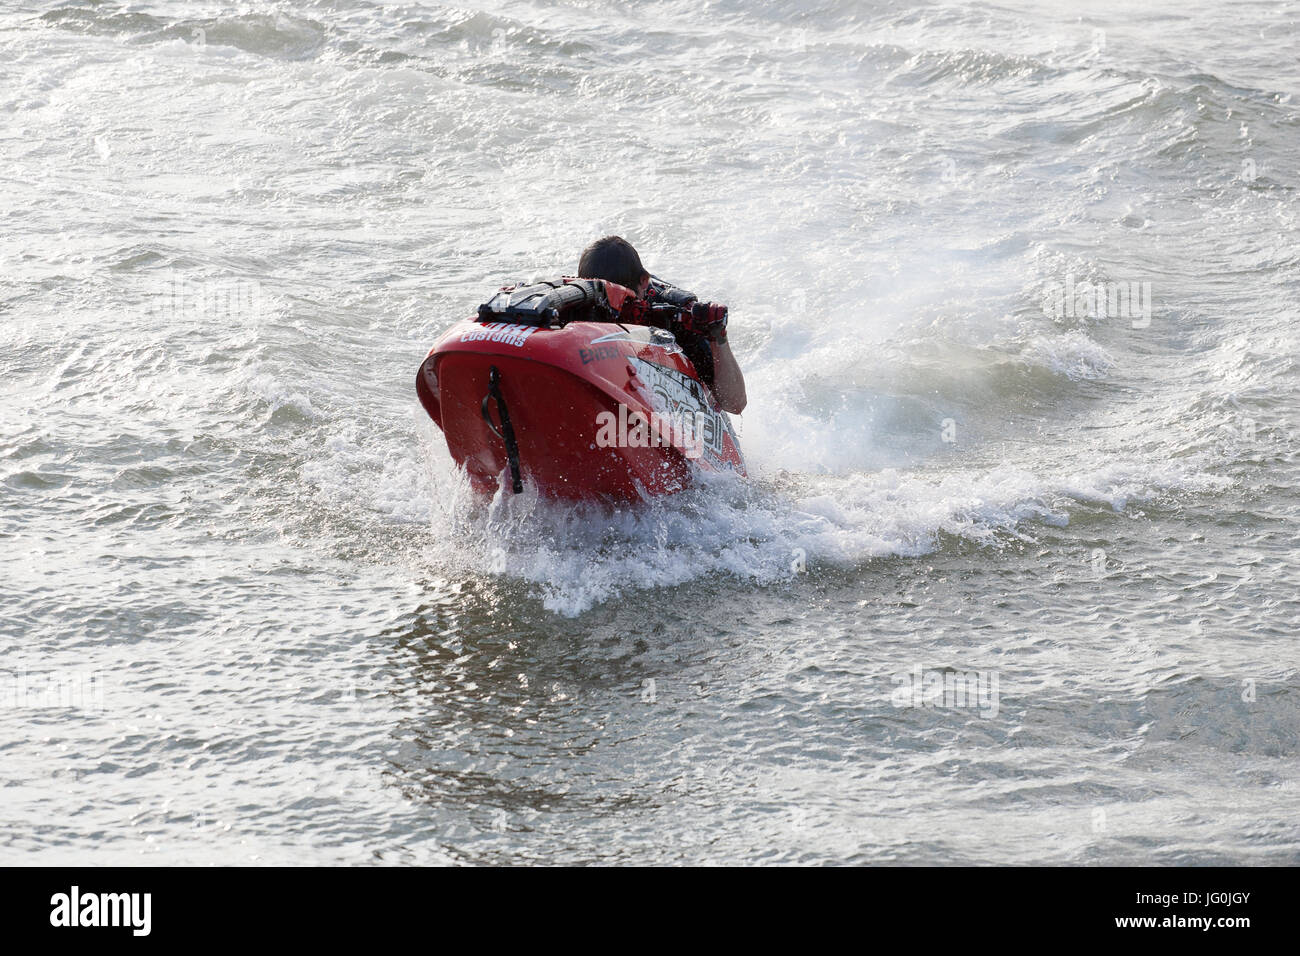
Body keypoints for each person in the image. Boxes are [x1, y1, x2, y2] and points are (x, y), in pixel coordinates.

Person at [577, 236, 747, 414]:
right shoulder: (578, 304)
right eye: (603, 309)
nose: (613, 317)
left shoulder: (677, 316)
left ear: (643, 282)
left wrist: (717, 335)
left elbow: (735, 404)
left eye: (622, 305)